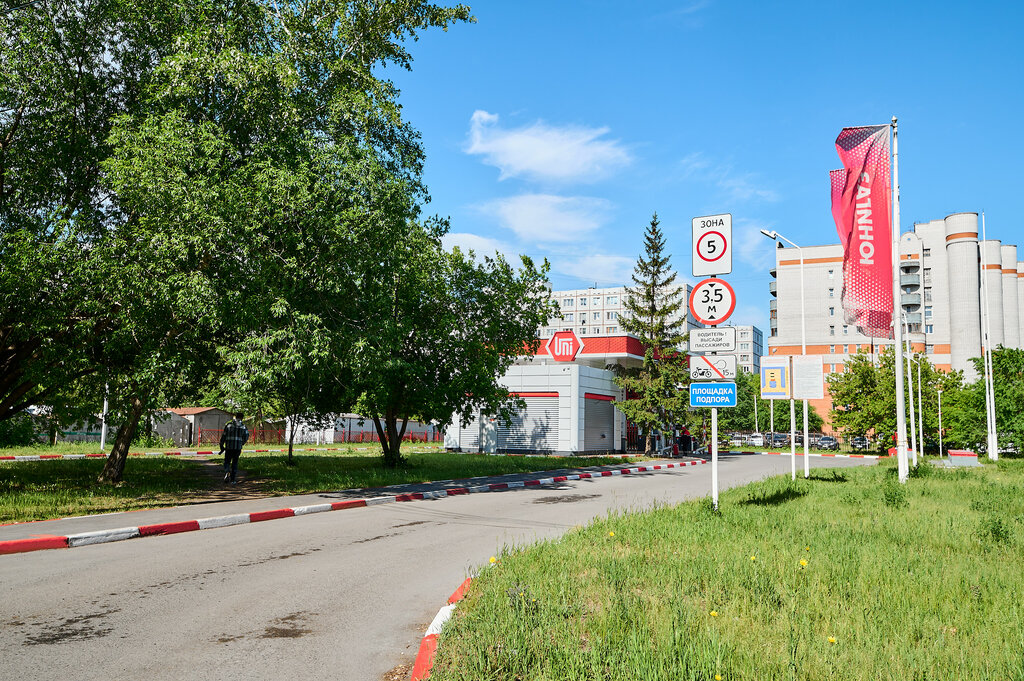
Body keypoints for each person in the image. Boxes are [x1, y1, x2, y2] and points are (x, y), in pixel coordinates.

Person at [219, 412, 249, 484]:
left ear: (235, 417)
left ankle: (227, 471)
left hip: (229, 447)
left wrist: (221, 445)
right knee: (235, 463)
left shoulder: (229, 425)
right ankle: (233, 479)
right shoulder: (243, 426)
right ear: (242, 418)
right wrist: (241, 443)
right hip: (237, 448)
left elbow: (224, 436)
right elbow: (246, 436)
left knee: (227, 461)